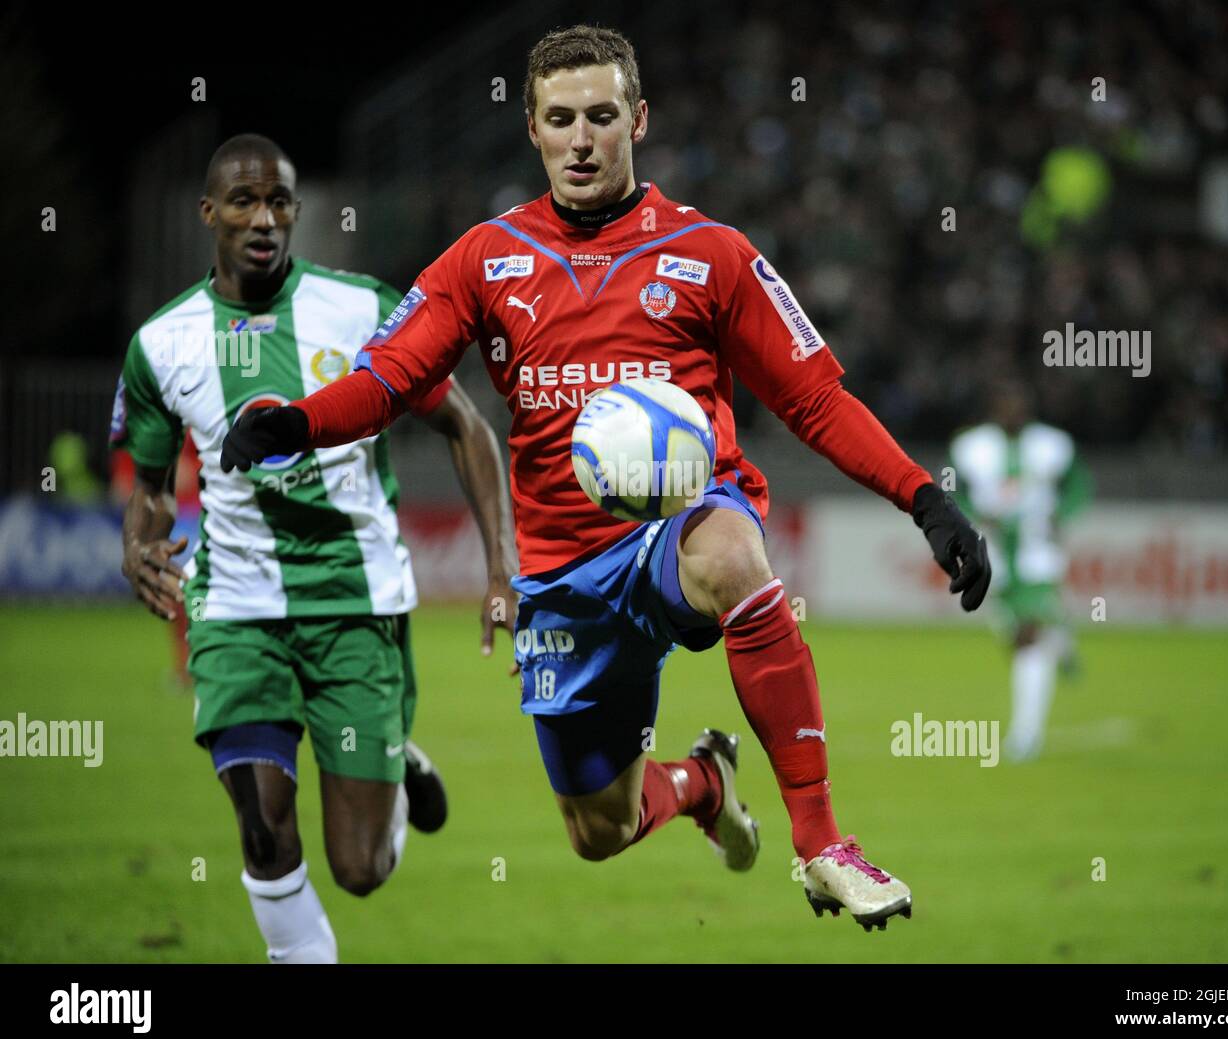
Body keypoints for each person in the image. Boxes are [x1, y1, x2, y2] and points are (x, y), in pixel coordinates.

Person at [221, 28, 990, 932]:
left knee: (737, 555)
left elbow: (816, 399)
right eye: (560, 119)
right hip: (562, 577)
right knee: (601, 828)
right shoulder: (483, 260)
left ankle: (821, 844)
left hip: (676, 530)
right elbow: (390, 379)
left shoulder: (713, 255)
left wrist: (925, 499)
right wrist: (299, 422)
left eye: (601, 116)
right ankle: (703, 784)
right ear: (533, 131)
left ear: (639, 120)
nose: (581, 139)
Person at [114, 133, 514, 962]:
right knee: (262, 829)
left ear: (296, 210)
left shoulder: (365, 308)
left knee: (360, 869)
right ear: (209, 214)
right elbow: (152, 484)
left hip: (355, 603)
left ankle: (391, 762)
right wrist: (136, 544)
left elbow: (466, 426)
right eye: (244, 202)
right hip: (235, 607)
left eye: (280, 202)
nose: (264, 219)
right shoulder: (162, 342)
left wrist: (501, 567)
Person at [951, 378, 1091, 762]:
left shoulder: (1053, 444)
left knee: (1028, 637)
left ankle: (1026, 735)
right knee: (1013, 636)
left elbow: (1079, 485)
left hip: (1036, 553)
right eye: (1005, 403)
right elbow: (952, 488)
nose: (1012, 411)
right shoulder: (970, 447)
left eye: (1018, 403)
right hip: (992, 554)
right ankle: (1060, 637)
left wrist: (1062, 515)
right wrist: (971, 516)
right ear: (994, 408)